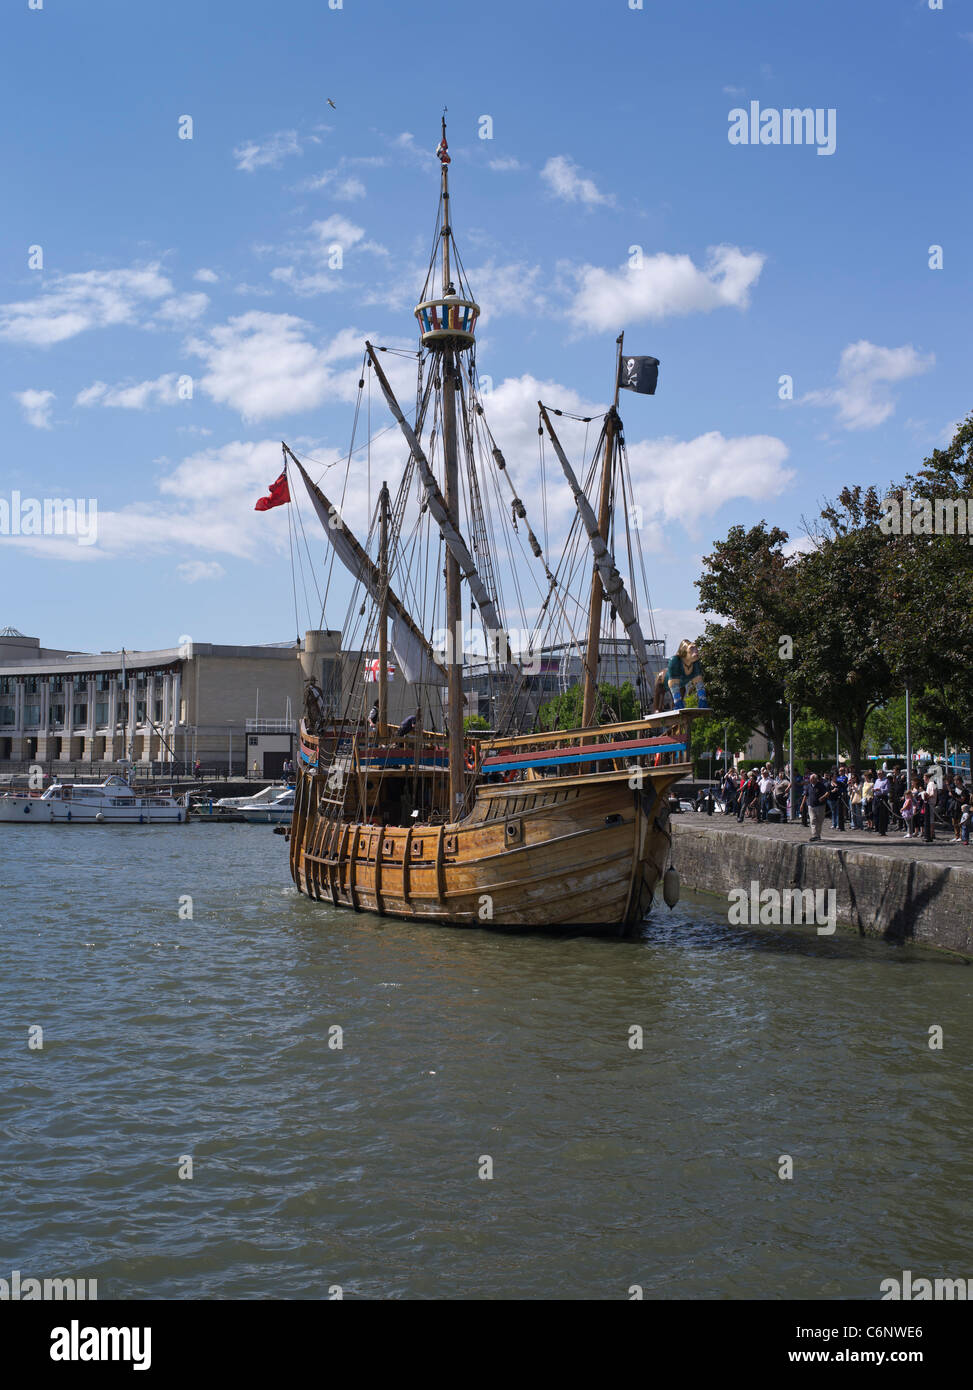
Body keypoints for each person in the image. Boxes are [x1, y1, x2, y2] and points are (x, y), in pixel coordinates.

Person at [806, 772, 829, 842]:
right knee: (812, 820)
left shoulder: (821, 786)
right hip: (811, 805)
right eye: (810, 779)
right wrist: (802, 804)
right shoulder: (809, 786)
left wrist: (822, 797)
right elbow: (806, 795)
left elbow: (827, 792)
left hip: (820, 806)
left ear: (815, 779)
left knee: (819, 821)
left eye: (812, 779)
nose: (811, 780)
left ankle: (818, 835)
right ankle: (814, 835)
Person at [873, 771, 890, 836]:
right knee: (876, 813)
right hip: (876, 797)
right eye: (878, 774)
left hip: (882, 798)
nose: (878, 775)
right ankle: (877, 828)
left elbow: (887, 790)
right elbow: (874, 788)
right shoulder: (877, 780)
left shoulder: (886, 781)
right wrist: (874, 790)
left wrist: (880, 789)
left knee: (882, 814)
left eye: (880, 774)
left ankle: (882, 830)